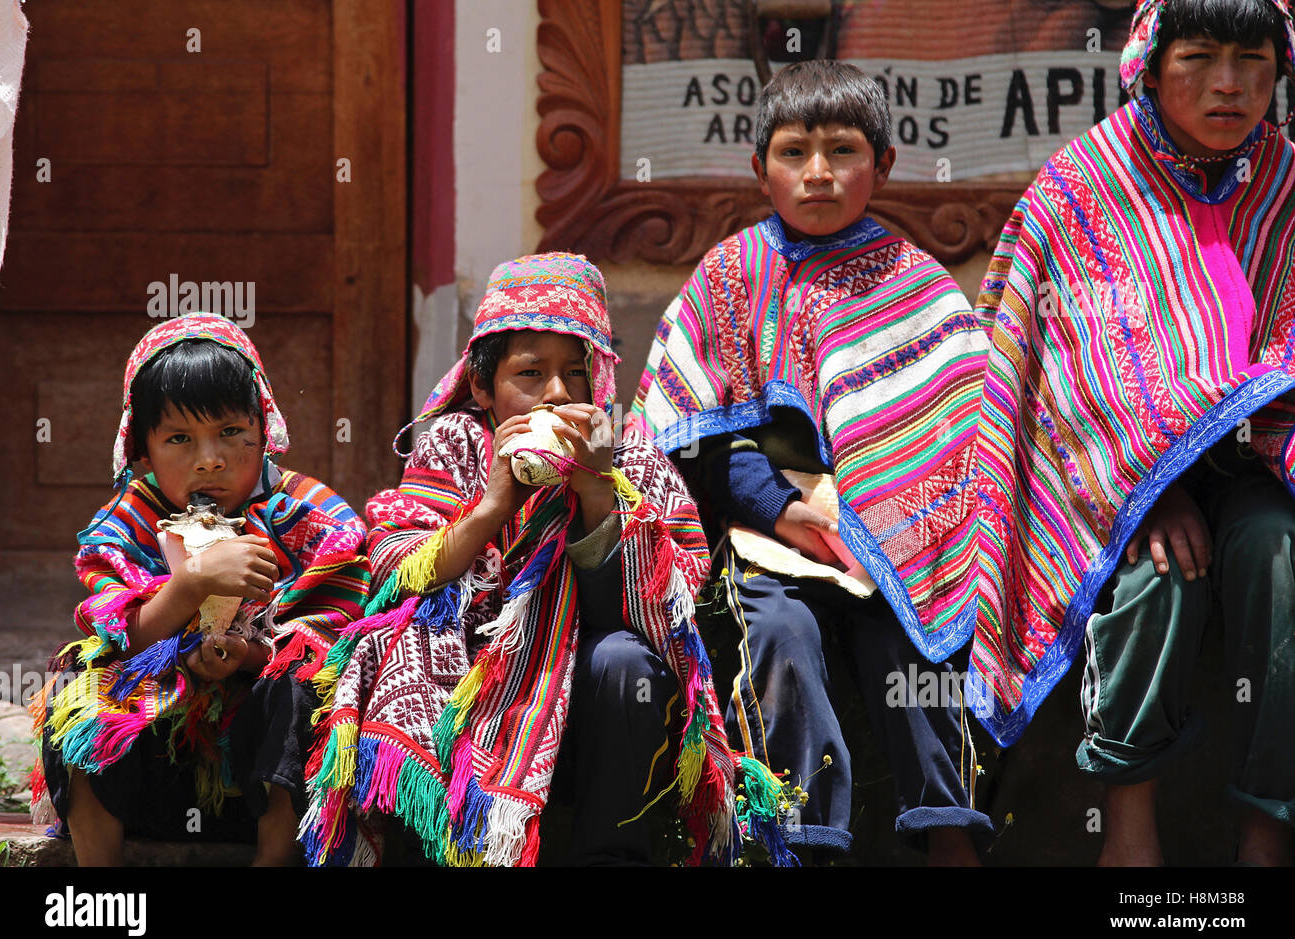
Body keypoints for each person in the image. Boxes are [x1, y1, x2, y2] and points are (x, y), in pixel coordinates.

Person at [300, 253, 791, 867]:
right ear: (482, 386)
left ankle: (614, 856)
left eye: (574, 373)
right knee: (412, 648)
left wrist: (594, 490)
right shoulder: (455, 445)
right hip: (477, 683)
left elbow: (669, 608)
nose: (557, 394)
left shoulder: (628, 456)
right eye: (530, 374)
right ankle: (440, 843)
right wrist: (492, 506)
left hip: (590, 694)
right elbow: (397, 572)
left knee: (626, 663)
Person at [630, 60, 993, 862]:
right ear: (760, 169)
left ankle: (950, 836)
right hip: (766, 543)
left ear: (884, 164)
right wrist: (786, 513)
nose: (819, 173)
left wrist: (892, 525)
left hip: (897, 547)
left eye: (844, 151)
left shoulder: (920, 284)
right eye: (794, 152)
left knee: (918, 650)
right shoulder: (730, 276)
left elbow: (962, 434)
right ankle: (806, 839)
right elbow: (689, 432)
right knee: (785, 638)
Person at [969, 0, 1295, 865]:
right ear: (1148, 66)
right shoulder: (1085, 186)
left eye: (1252, 58)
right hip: (1114, 478)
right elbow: (1064, 376)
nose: (1229, 84)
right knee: (1159, 579)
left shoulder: (1288, 182)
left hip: (1266, 463)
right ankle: (1128, 828)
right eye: (1199, 57)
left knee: (1280, 557)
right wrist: (1148, 491)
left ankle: (1269, 830)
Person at [28, 313, 371, 866]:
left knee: (307, 690)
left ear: (264, 431)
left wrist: (251, 653)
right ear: (141, 450)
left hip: (262, 779)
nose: (209, 458)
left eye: (230, 433)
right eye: (180, 439)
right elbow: (121, 635)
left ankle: (272, 861)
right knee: (79, 687)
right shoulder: (130, 521)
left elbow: (339, 629)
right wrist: (191, 585)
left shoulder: (306, 515)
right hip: (156, 777)